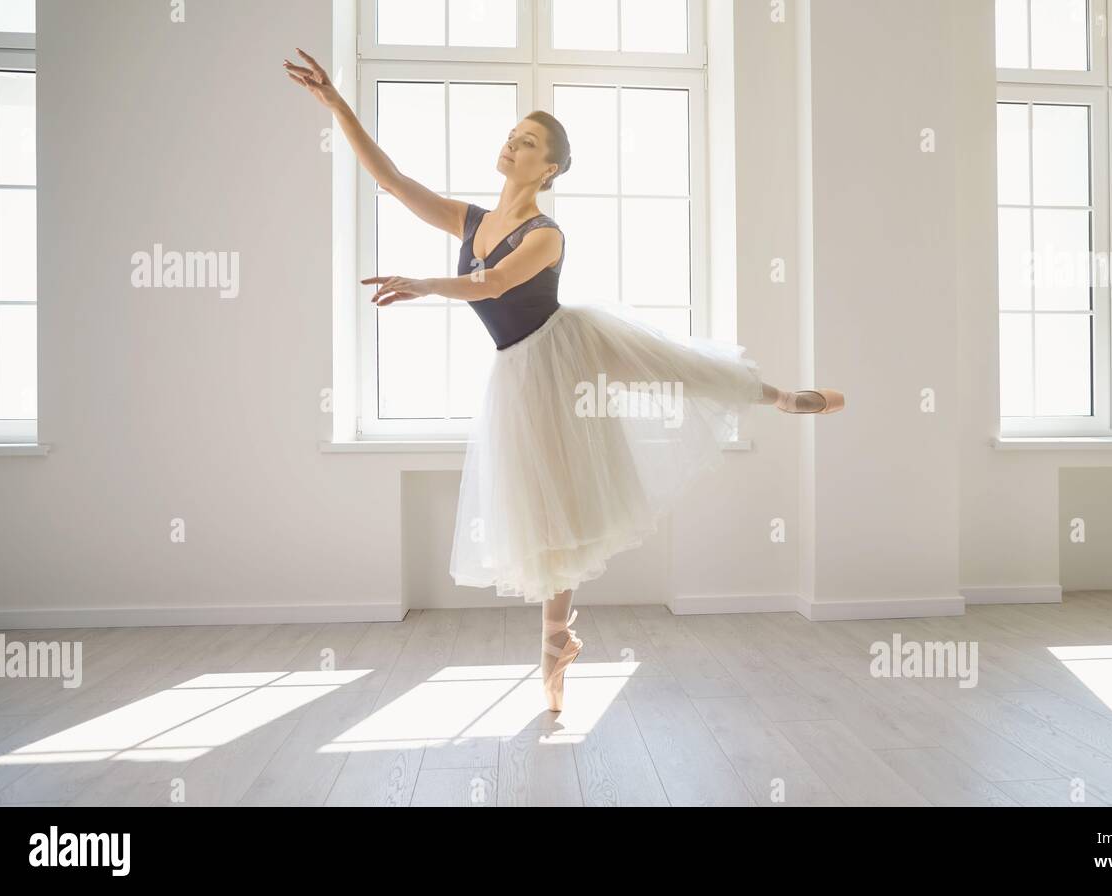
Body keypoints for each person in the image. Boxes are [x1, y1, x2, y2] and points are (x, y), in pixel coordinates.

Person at [284, 49, 843, 712]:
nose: (512, 143)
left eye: (527, 142)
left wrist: (426, 283)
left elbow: (491, 282)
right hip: (518, 369)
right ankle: (557, 642)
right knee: (548, 511)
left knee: (672, 366)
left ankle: (777, 395)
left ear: (547, 168)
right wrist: (337, 104)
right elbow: (395, 182)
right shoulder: (472, 220)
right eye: (512, 135)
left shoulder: (547, 234)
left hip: (564, 350)